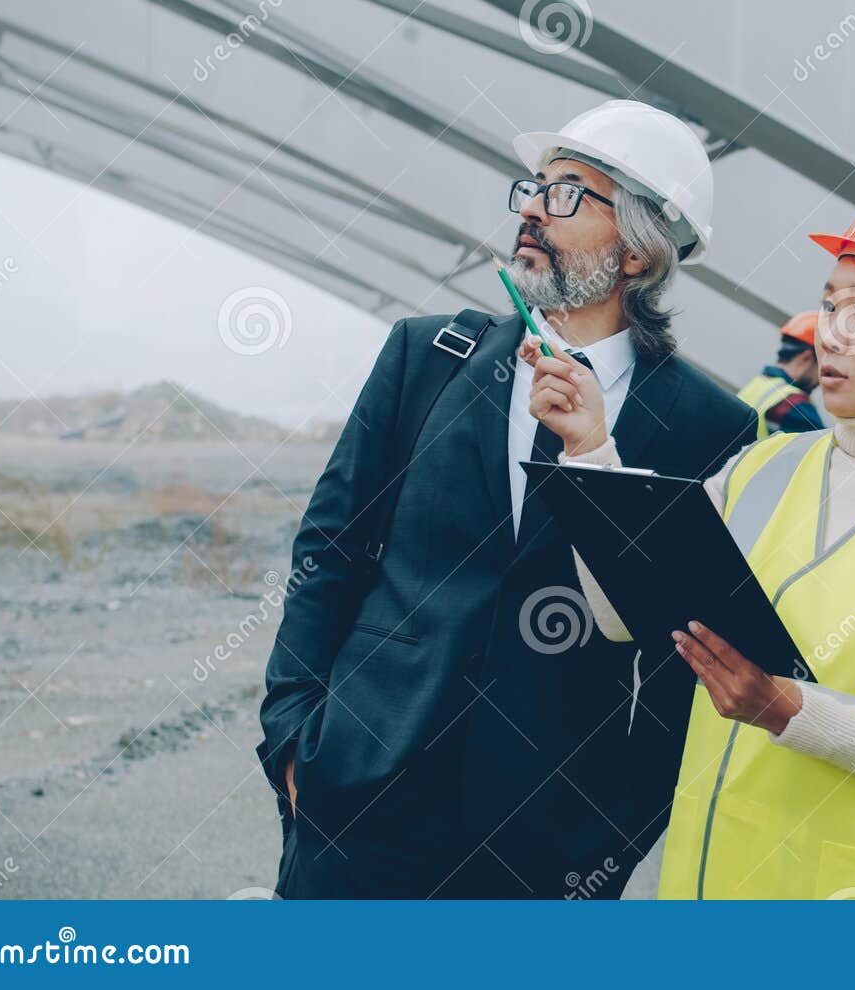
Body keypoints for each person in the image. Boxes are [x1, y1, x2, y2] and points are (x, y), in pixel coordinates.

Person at [256, 99, 758, 899]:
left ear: (637, 251)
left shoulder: (710, 425)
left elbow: (684, 658)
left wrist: (614, 839)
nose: (531, 210)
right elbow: (329, 554)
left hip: (547, 839)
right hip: (357, 792)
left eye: (566, 195)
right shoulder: (427, 357)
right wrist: (292, 738)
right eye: (532, 188)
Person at [528, 177, 855, 899]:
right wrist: (590, 449)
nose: (832, 331)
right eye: (832, 304)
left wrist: (786, 711)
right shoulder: (763, 468)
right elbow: (627, 615)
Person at [737, 311, 825, 437]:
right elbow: (824, 453)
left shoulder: (760, 383)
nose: (822, 381)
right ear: (806, 357)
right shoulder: (794, 405)